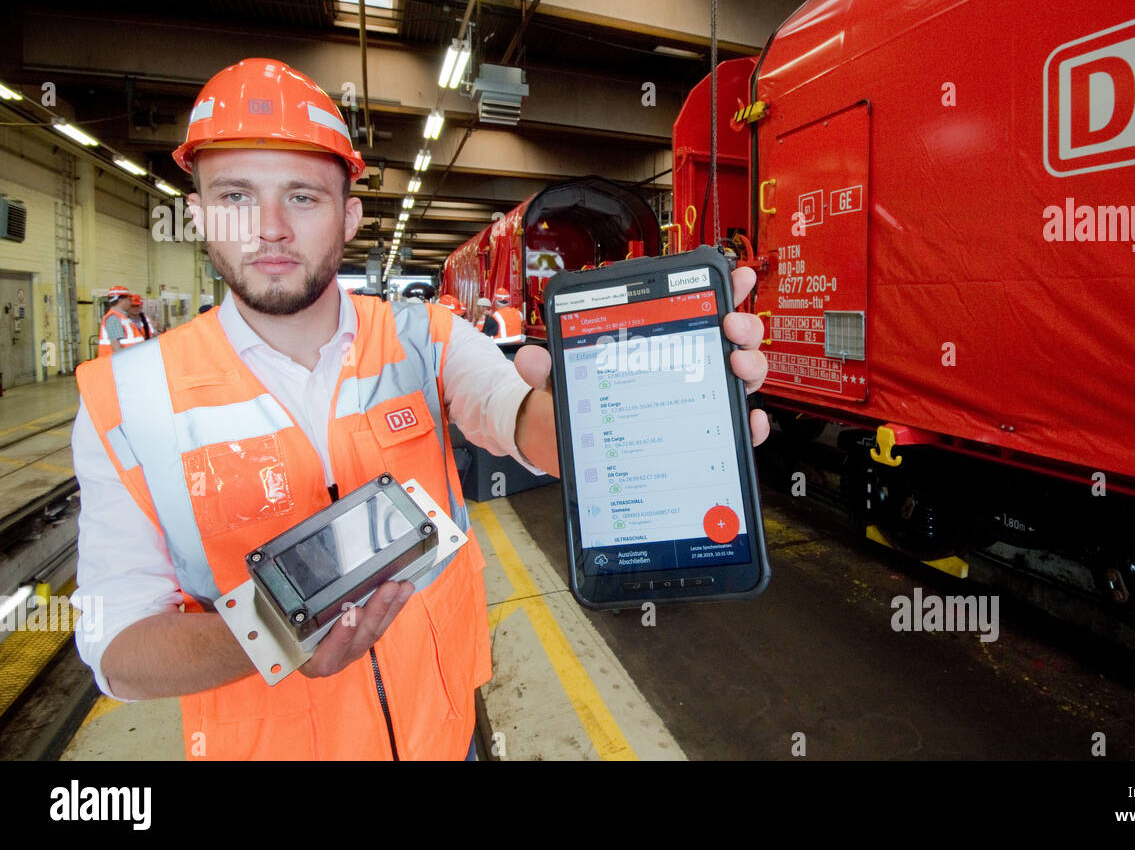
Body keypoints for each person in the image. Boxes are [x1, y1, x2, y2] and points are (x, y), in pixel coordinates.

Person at [70, 57, 771, 761]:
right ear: (197, 212)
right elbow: (117, 648)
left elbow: (523, 421)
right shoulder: (128, 400)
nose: (271, 227)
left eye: (303, 197)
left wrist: (622, 407)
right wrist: (275, 637)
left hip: (446, 740)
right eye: (236, 196)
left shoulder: (424, 337)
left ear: (349, 215)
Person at [96, 285, 144, 356]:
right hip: (117, 364)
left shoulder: (121, 317)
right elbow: (116, 347)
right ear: (120, 300)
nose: (130, 302)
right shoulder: (113, 318)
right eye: (128, 299)